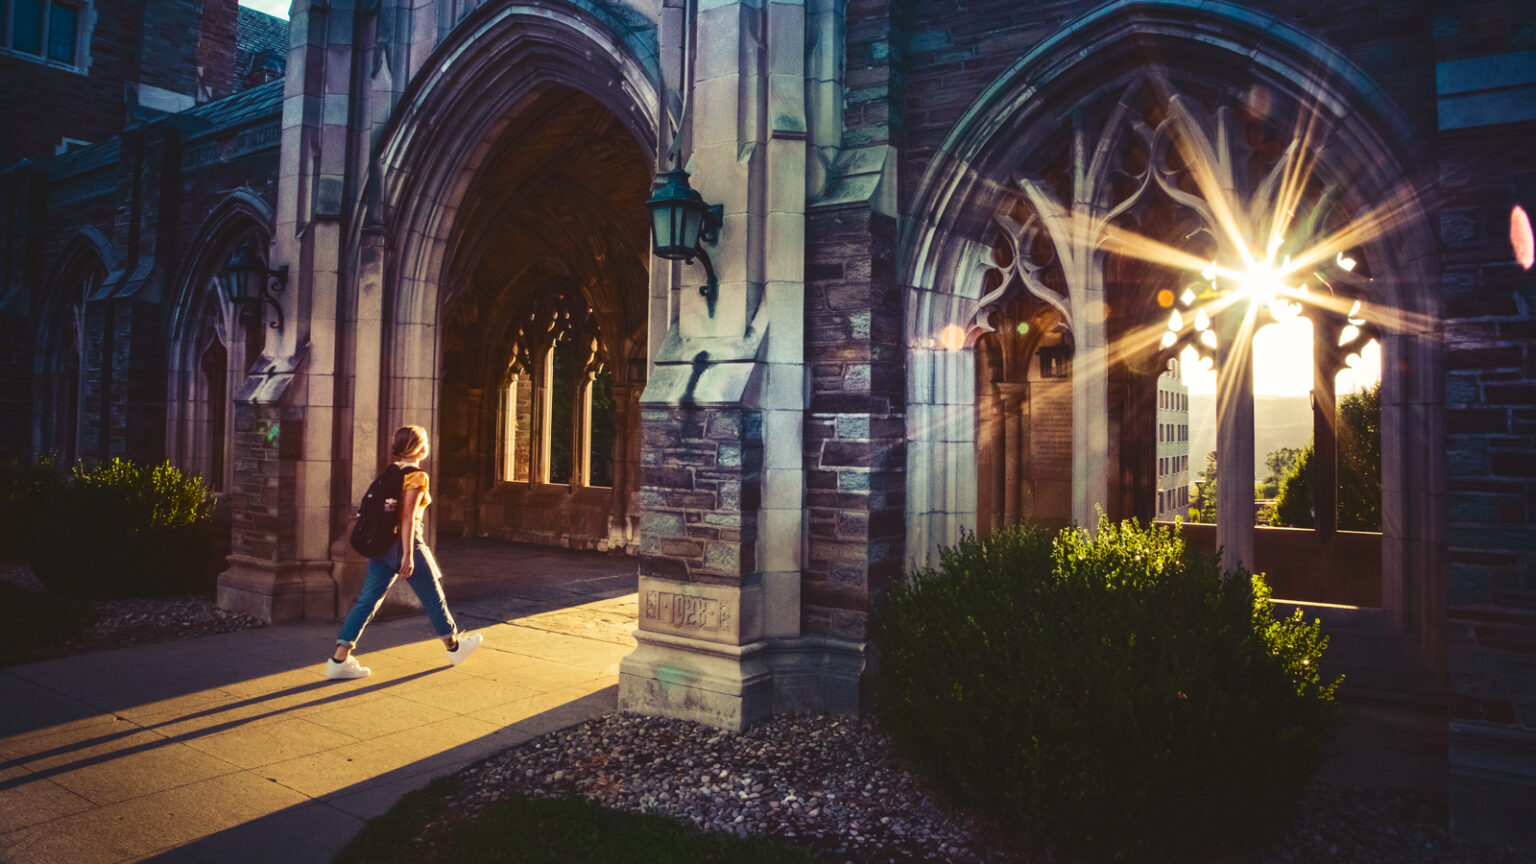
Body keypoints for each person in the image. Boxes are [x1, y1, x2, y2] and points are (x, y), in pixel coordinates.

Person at [326, 425, 482, 679]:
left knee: (367, 602)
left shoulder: (391, 472)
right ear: (419, 447)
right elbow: (407, 517)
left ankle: (338, 660)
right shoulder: (417, 476)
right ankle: (454, 648)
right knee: (433, 597)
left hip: (382, 546)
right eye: (425, 441)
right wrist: (408, 555)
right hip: (406, 544)